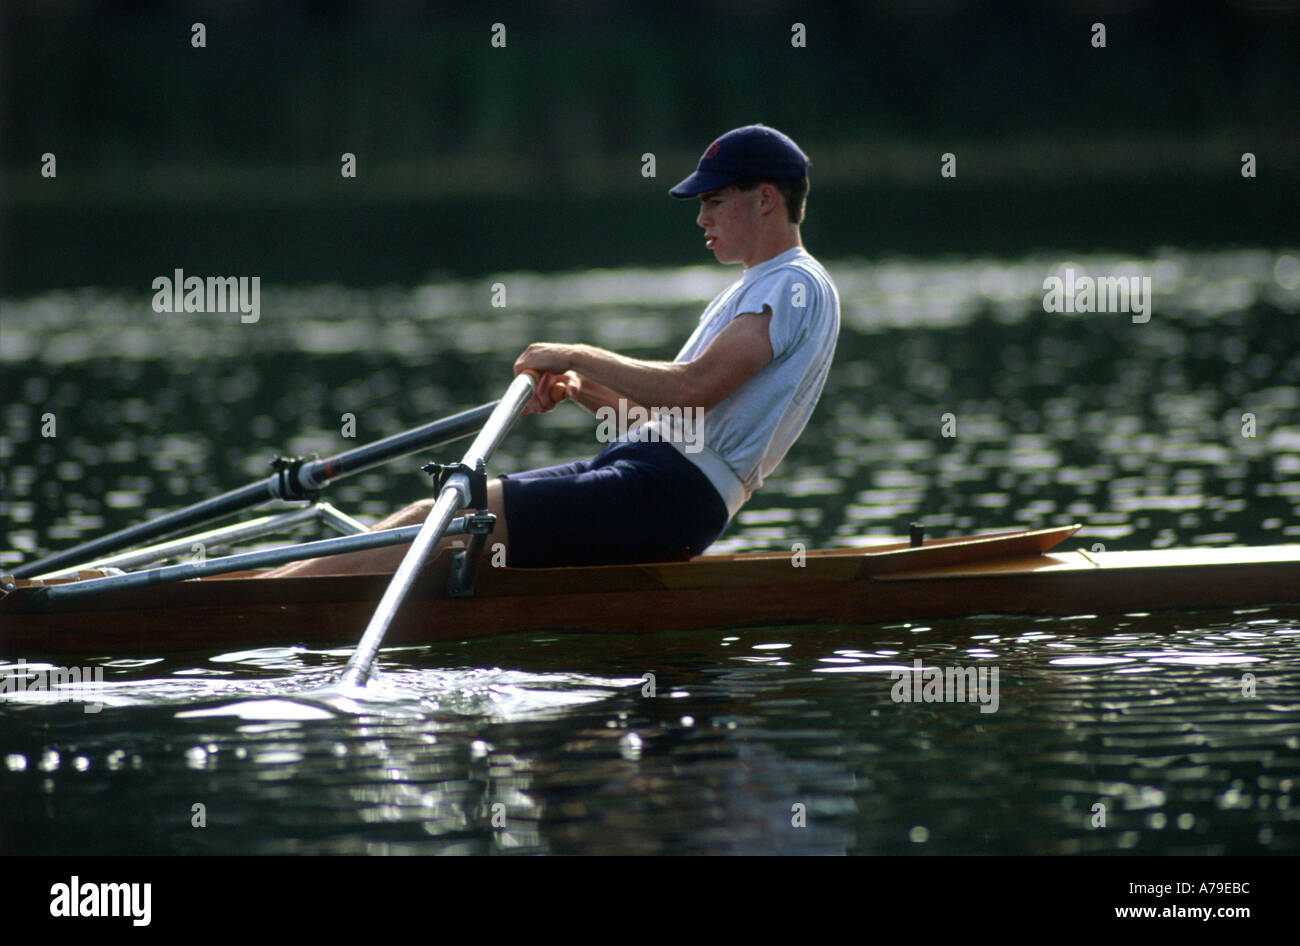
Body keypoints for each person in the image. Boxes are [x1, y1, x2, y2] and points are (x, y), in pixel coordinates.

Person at [267, 124, 838, 576]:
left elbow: (693, 386)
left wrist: (574, 354)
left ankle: (250, 604)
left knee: (453, 519)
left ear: (765, 199)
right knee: (444, 510)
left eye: (714, 199)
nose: (701, 217)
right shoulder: (758, 285)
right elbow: (674, 420)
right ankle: (249, 588)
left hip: (668, 495)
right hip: (650, 476)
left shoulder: (793, 284)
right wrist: (579, 390)